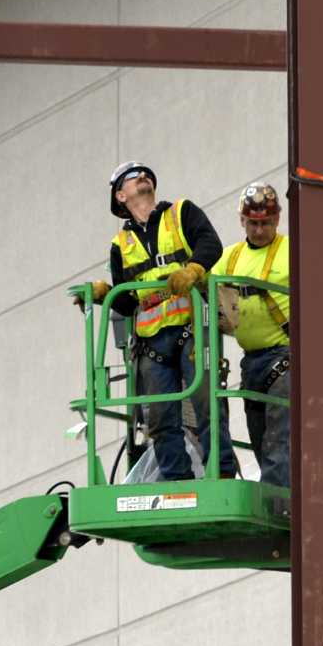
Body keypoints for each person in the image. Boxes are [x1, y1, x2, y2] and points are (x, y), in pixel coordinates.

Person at [88, 160, 240, 482]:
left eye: (145, 174)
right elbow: (129, 304)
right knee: (158, 418)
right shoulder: (121, 245)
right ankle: (176, 480)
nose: (142, 177)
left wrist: (194, 269)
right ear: (120, 196)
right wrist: (106, 295)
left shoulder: (181, 213)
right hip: (151, 340)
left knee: (207, 403)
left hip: (191, 327)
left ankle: (222, 473)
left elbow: (210, 245)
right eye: (132, 176)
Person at [216, 182, 292, 488]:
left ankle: (278, 498)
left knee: (280, 436)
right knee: (260, 437)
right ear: (242, 221)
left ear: (277, 220)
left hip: (285, 355)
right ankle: (275, 492)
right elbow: (201, 287)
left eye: (265, 223)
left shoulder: (292, 250)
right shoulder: (230, 258)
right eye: (253, 224)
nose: (259, 230)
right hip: (252, 360)